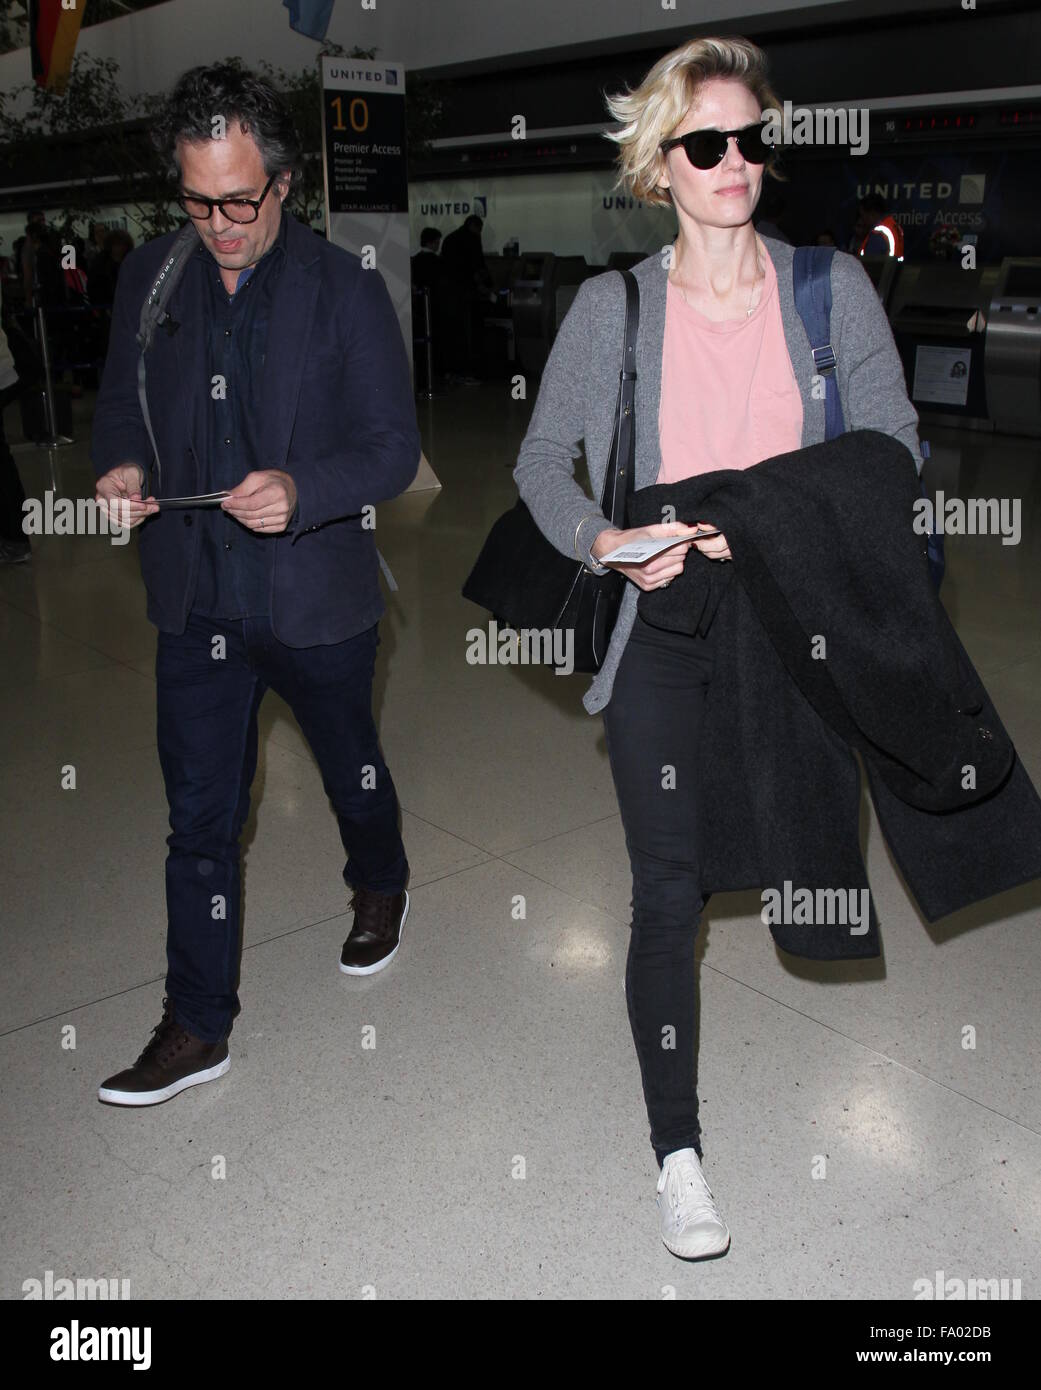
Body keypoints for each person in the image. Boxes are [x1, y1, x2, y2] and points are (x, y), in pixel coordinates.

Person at [513, 35, 924, 1261]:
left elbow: (895, 443)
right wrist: (606, 540)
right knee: (667, 894)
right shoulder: (614, 308)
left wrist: (788, 516)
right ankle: (677, 1150)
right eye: (707, 144)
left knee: (809, 850)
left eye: (752, 139)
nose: (735, 162)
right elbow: (542, 465)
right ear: (661, 167)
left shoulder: (828, 289)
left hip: (795, 617)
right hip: (668, 625)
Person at [91, 63, 420, 1107]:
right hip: (199, 598)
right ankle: (198, 1022)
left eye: (240, 199)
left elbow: (392, 450)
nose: (220, 224)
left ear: (284, 183)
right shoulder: (150, 279)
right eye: (198, 200)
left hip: (315, 596)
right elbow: (118, 411)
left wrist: (303, 485)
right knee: (199, 817)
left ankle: (380, 880)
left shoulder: (345, 287)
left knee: (349, 765)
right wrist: (125, 470)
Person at [439, 213, 494, 383]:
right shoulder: (472, 239)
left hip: (447, 294)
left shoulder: (449, 238)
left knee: (452, 333)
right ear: (475, 227)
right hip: (465, 295)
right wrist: (489, 287)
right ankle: (468, 371)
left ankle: (451, 371)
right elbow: (478, 267)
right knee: (468, 333)